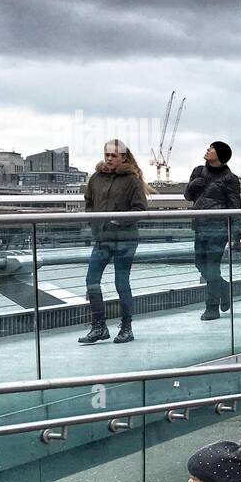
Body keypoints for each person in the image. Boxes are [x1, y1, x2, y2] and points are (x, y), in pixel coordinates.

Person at [80, 138, 150, 345]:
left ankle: (126, 327)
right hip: (102, 238)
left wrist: (118, 219)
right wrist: (95, 223)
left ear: (123, 157)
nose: (109, 159)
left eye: (114, 155)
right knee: (91, 280)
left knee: (121, 282)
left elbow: (140, 209)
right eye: (106, 155)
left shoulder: (132, 180)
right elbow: (89, 204)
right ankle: (99, 326)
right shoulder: (95, 178)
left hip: (125, 239)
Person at [184, 141, 241, 321]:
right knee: (200, 263)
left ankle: (211, 307)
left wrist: (236, 234)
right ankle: (224, 287)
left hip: (218, 227)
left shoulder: (230, 178)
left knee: (212, 265)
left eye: (212, 148)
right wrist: (193, 185)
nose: (207, 150)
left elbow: (235, 206)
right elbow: (187, 196)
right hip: (200, 225)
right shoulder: (198, 171)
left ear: (220, 155)